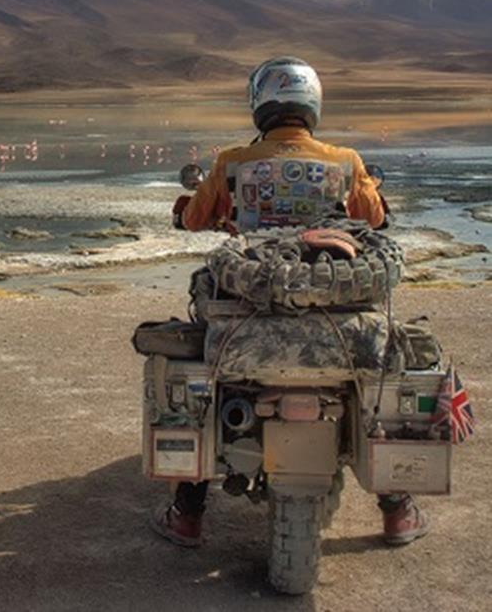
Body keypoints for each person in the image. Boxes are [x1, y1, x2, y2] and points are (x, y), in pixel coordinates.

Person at [156, 57, 429, 548]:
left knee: (203, 378)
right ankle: (397, 508)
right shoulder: (345, 161)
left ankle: (188, 512)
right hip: (337, 308)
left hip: (248, 307)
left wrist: (193, 211)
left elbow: (196, 220)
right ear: (312, 103)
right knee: (376, 390)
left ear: (261, 103)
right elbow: (374, 217)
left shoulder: (233, 162)